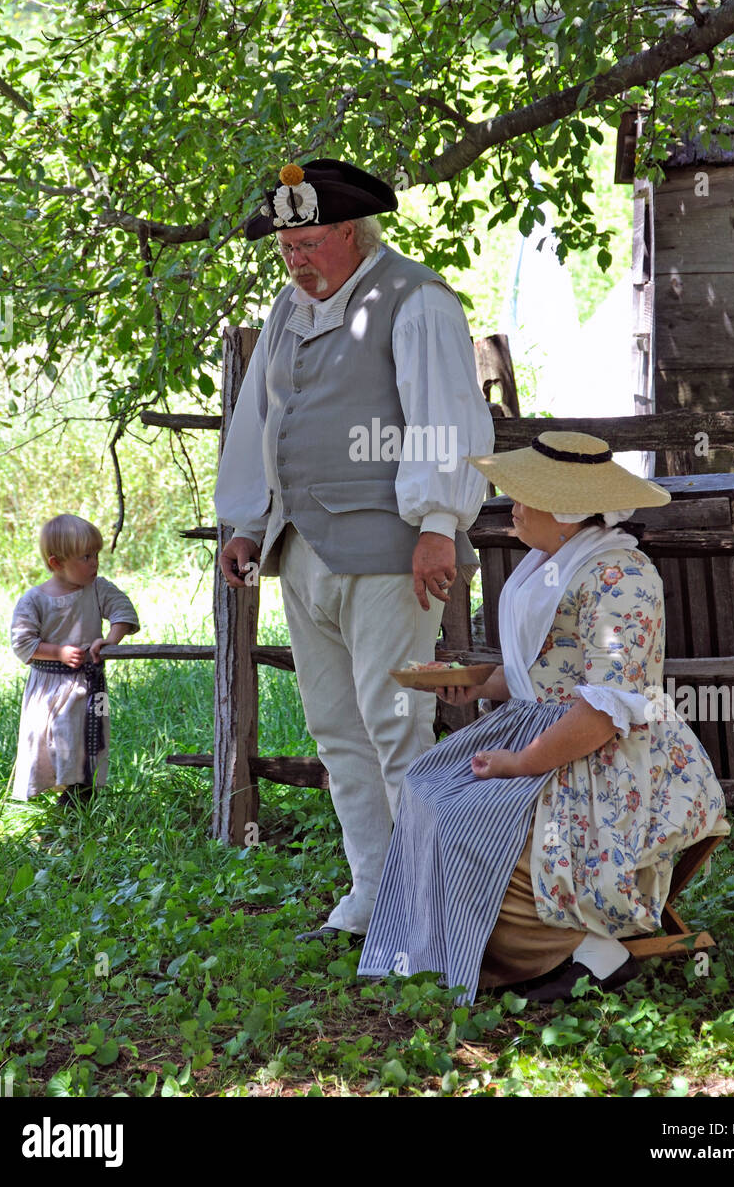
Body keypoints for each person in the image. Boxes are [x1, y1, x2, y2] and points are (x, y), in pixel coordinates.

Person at [215, 158, 494, 941]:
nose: (294, 259)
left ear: (349, 231)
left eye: (306, 243)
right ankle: (373, 893)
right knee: (336, 727)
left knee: (395, 721)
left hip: (391, 550)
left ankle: (430, 903)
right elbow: (257, 422)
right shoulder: (287, 311)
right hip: (303, 549)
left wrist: (438, 523)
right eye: (283, 248)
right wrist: (246, 522)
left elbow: (445, 420)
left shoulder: (416, 300)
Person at [358, 431, 730, 1004]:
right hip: (546, 727)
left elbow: (606, 708)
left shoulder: (620, 576)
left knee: (479, 821)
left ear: (568, 511)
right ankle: (479, 949)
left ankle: (585, 951)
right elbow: (542, 671)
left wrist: (522, 763)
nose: (515, 508)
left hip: (606, 752)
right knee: (427, 789)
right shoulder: (549, 563)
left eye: (527, 497)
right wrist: (473, 681)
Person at [10, 514, 140, 806]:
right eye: (85, 557)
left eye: (95, 555)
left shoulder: (98, 589)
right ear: (57, 563)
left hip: (91, 683)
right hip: (51, 687)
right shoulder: (34, 600)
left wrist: (109, 640)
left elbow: (123, 610)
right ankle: (65, 793)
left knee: (90, 738)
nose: (94, 562)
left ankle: (82, 792)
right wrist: (58, 652)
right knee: (56, 739)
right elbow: (22, 643)